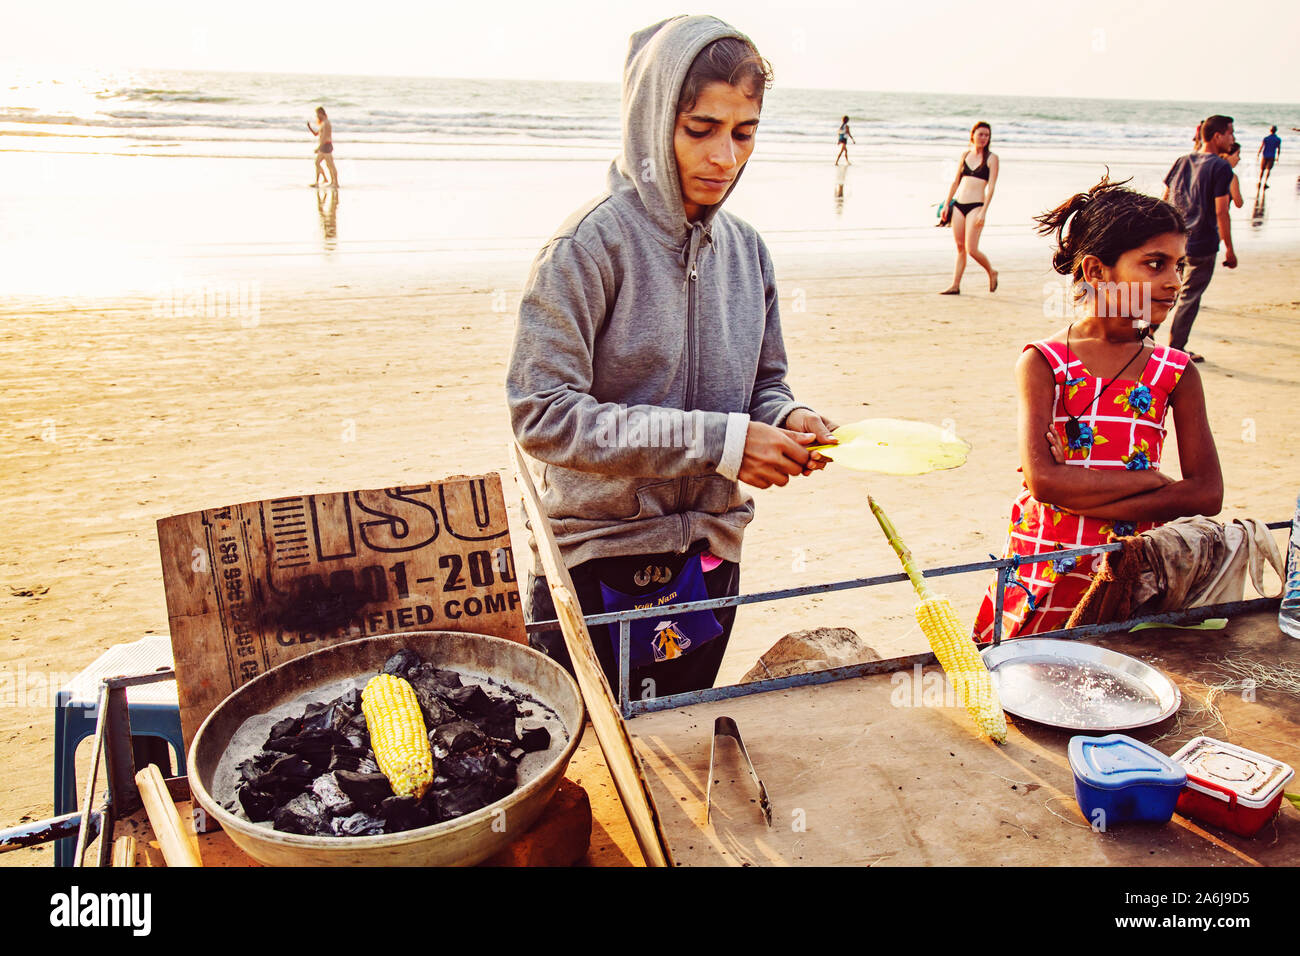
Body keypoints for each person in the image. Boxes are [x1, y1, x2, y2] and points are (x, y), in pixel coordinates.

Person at [507, 16, 838, 699]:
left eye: (743, 133)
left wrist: (786, 417)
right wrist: (721, 443)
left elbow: (765, 384)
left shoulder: (748, 252)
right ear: (653, 121)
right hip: (597, 563)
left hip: (712, 558)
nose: (725, 157)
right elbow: (543, 415)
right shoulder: (586, 249)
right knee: (597, 751)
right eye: (701, 129)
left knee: (683, 738)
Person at [972, 177, 1223, 642]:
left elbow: (1207, 495)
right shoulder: (1044, 362)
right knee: (1026, 665)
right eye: (1155, 264)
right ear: (1096, 271)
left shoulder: (1176, 371)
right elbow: (1044, 483)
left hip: (1131, 567)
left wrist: (1075, 492)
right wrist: (1151, 480)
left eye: (1179, 266)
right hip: (1047, 562)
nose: (1174, 281)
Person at [1161, 114, 1235, 362]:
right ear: (1217, 136)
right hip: (1202, 242)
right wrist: (1229, 248)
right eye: (1230, 133)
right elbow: (1221, 210)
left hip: (1174, 240)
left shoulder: (1182, 161)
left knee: (1166, 289)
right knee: (1189, 296)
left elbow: (1165, 199)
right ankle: (1177, 348)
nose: (1232, 139)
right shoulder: (1221, 167)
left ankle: (1145, 335)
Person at [938, 121, 998, 294]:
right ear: (973, 135)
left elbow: (991, 187)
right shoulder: (965, 155)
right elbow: (956, 182)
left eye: (987, 135)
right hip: (959, 205)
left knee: (971, 249)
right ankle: (955, 285)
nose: (984, 138)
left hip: (976, 206)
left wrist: (984, 212)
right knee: (960, 247)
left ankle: (991, 272)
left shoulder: (992, 158)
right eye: (981, 134)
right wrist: (946, 204)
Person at [308, 107, 338, 188]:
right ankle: (320, 181)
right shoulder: (323, 123)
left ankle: (335, 183)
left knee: (330, 165)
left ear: (321, 113)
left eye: (317, 114)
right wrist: (309, 128)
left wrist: (319, 148)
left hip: (326, 146)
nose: (317, 116)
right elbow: (316, 134)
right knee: (317, 163)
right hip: (323, 146)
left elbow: (325, 137)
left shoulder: (326, 123)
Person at [1257, 125, 1281, 190]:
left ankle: (1259, 182)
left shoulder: (1266, 138)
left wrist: (1258, 153)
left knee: (1262, 170)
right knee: (1268, 170)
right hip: (1272, 156)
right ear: (1276, 131)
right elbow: (1278, 149)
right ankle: (1265, 183)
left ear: (1270, 130)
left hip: (1265, 155)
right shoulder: (1278, 139)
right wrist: (1278, 157)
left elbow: (1261, 147)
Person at [1221, 141, 1243, 208]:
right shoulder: (1231, 177)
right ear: (1227, 156)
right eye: (1237, 154)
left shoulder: (1210, 169)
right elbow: (1239, 203)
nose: (1239, 158)